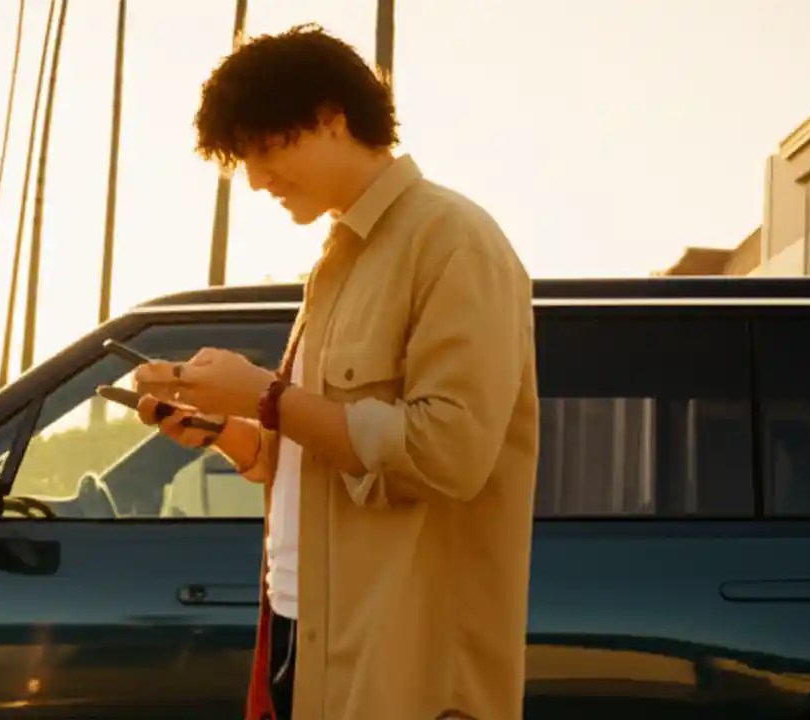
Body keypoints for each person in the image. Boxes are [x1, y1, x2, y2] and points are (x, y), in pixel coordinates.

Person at [133, 24, 539, 720]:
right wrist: (229, 430)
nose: (256, 180)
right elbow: (320, 451)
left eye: (267, 149)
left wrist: (265, 394)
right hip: (304, 631)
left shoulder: (453, 240)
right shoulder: (337, 260)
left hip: (395, 663)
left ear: (331, 119)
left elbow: (449, 453)